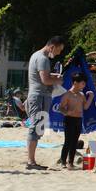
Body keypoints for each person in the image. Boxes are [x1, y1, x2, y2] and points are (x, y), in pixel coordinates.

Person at [25, 37, 66, 170]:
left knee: (38, 128)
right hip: (39, 96)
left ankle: (31, 161)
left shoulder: (37, 56)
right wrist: (58, 81)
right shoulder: (43, 58)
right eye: (59, 50)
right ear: (52, 46)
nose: (58, 53)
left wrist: (54, 77)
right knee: (36, 127)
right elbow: (45, 80)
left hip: (39, 96)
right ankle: (31, 162)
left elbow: (43, 77)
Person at [57, 75, 94, 169]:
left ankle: (71, 162)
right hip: (69, 119)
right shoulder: (68, 94)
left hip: (78, 119)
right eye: (82, 83)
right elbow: (60, 107)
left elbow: (85, 107)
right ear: (75, 83)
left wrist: (91, 97)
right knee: (68, 142)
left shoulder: (81, 95)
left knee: (74, 142)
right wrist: (67, 112)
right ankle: (63, 161)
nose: (84, 85)